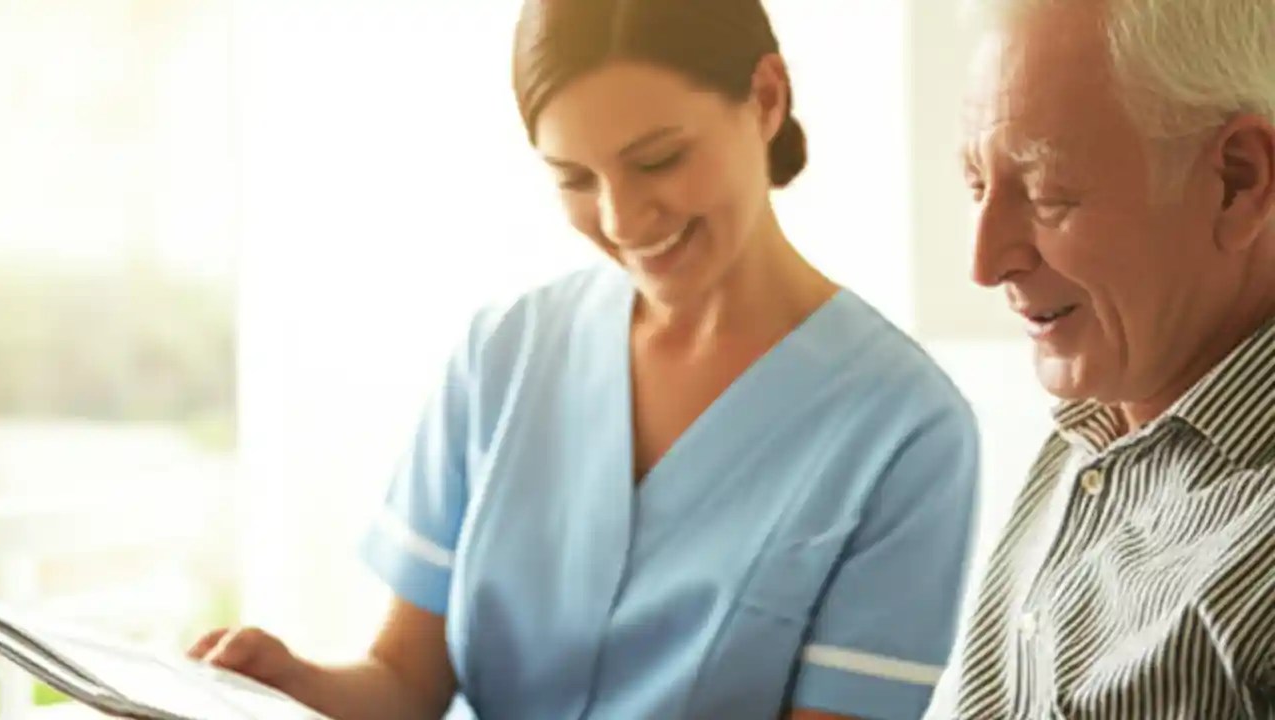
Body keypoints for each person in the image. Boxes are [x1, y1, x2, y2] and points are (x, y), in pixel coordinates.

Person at [190, 0, 980, 718]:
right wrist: (289, 685)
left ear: (767, 98)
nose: (622, 219)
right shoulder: (505, 355)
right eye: (574, 178)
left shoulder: (907, 429)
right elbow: (404, 683)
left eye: (658, 160)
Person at [931, 0, 1275, 717]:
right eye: (977, 186)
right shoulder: (1089, 429)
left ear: (1238, 182)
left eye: (1047, 193)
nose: (984, 264)